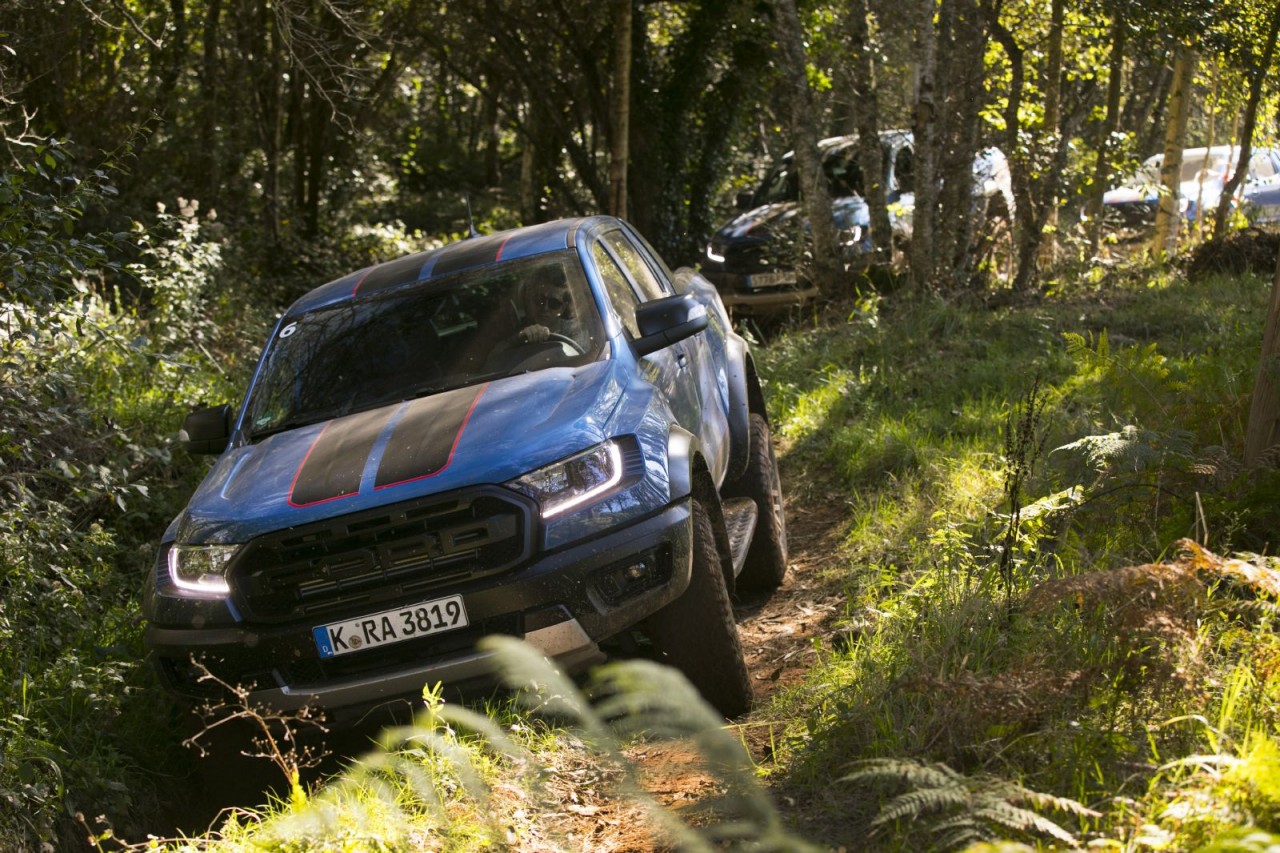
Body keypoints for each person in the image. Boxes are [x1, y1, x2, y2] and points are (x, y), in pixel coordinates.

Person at [515, 263, 579, 345]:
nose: (545, 308)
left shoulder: (573, 330)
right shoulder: (515, 328)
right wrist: (521, 339)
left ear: (563, 308)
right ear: (528, 300)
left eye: (554, 303)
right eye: (539, 300)